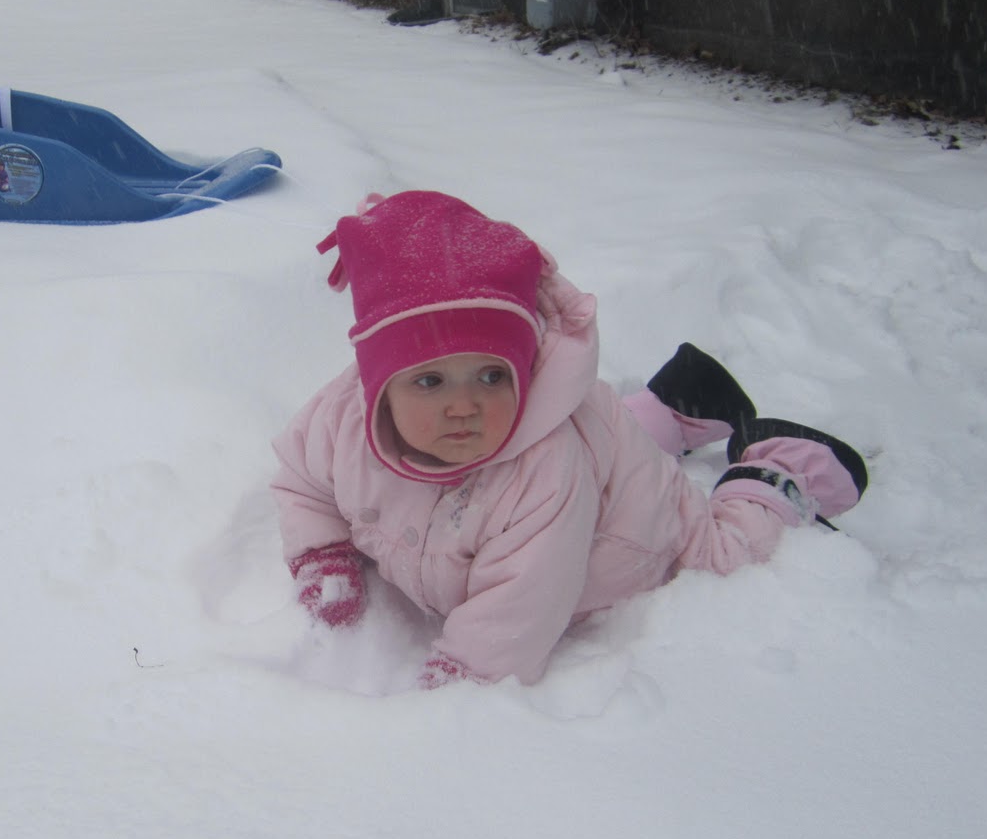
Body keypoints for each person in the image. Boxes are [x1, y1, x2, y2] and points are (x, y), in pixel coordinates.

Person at [270, 191, 868, 688]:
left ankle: (780, 468)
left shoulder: (542, 472)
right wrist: (321, 552)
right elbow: (301, 482)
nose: (464, 405)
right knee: (598, 439)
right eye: (428, 380)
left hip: (629, 536)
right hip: (602, 461)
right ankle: (672, 410)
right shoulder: (339, 423)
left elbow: (523, 603)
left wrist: (466, 675)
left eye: (492, 375)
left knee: (724, 556)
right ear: (379, 385)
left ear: (525, 372)